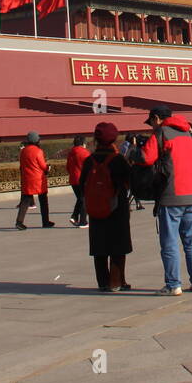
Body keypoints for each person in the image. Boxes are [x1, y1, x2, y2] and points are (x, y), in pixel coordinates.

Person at [140, 106, 192, 295]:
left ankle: (173, 284)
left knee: (169, 242)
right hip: (190, 194)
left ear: (157, 118)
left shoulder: (161, 133)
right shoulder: (187, 133)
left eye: (151, 122)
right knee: (191, 240)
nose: (151, 126)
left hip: (170, 195)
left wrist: (133, 153)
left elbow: (146, 157)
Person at [83, 122, 132, 291]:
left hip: (96, 207)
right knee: (118, 245)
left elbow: (82, 183)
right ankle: (116, 282)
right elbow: (129, 180)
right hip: (117, 207)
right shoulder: (118, 160)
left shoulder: (89, 160)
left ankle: (102, 282)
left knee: (99, 245)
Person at [17, 131, 54, 229]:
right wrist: (48, 168)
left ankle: (19, 221)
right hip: (38, 180)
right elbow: (42, 165)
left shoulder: (23, 151)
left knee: (25, 201)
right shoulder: (38, 151)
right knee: (43, 201)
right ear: (37, 140)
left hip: (27, 178)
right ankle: (45, 221)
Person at [65, 136, 91, 228]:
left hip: (73, 179)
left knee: (80, 199)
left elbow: (68, 167)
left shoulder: (70, 153)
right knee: (84, 199)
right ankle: (83, 221)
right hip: (82, 179)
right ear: (83, 143)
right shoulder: (85, 153)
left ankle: (75, 217)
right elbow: (90, 166)